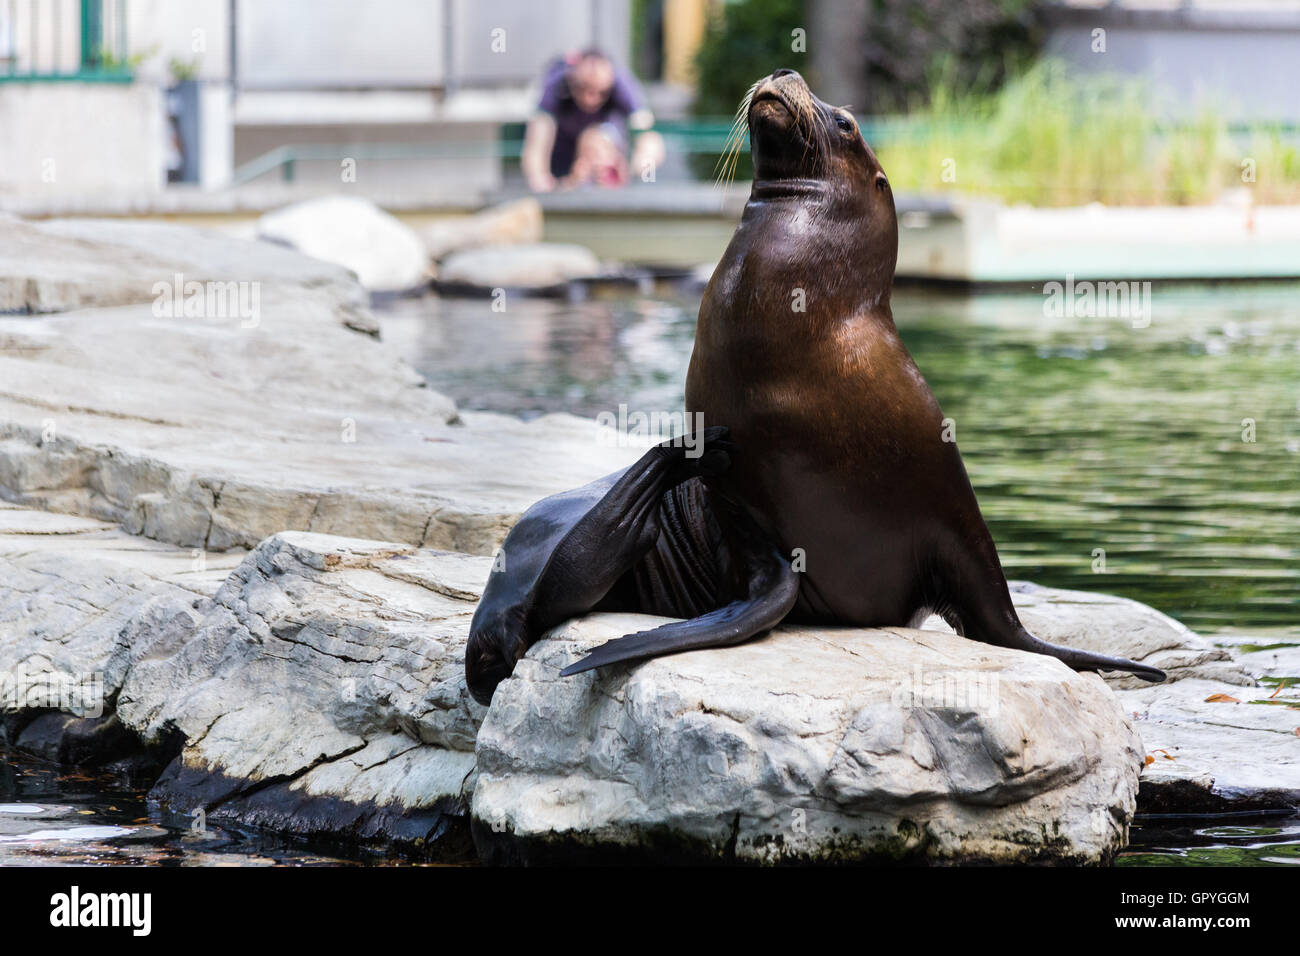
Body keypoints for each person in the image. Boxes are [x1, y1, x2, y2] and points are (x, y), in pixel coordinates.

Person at [521, 49, 665, 191]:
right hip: (561, 157)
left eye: (601, 93)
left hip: (611, 148)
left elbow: (648, 135)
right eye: (583, 88)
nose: (591, 100)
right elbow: (536, 143)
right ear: (572, 79)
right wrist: (541, 182)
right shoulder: (556, 85)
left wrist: (633, 168)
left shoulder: (624, 86)